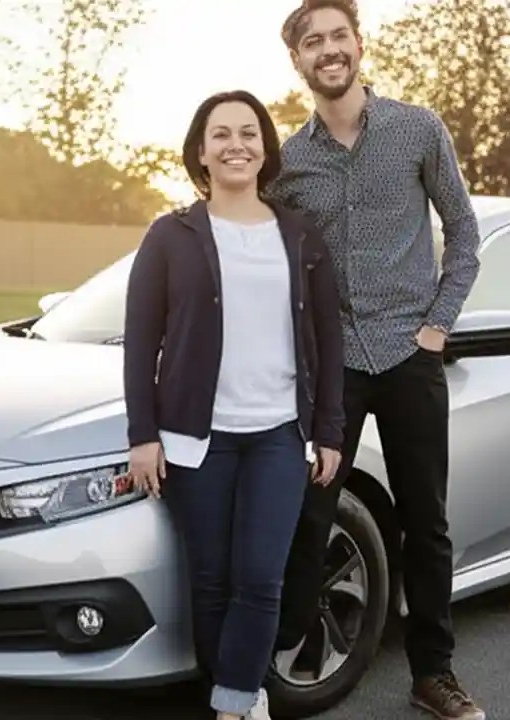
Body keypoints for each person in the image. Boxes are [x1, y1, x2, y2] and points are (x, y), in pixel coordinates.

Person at [267, 2, 486, 719]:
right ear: (297, 60)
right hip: (332, 364)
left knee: (426, 523)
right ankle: (279, 657)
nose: (328, 51)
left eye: (337, 37)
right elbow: (246, 240)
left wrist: (437, 327)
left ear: (359, 46)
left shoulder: (418, 129)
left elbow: (463, 231)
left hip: (407, 354)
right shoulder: (288, 161)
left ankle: (433, 675)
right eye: (312, 43)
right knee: (309, 509)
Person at [123, 89, 346, 720]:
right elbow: (141, 343)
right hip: (197, 440)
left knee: (260, 578)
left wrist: (329, 430)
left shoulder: (299, 235)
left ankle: (231, 707)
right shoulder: (170, 236)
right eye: (221, 134)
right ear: (201, 151)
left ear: (265, 149)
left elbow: (327, 338)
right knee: (212, 584)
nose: (236, 145)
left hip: (278, 434)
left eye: (248, 133)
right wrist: (144, 435)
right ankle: (242, 700)